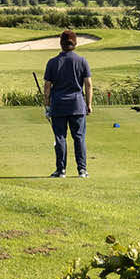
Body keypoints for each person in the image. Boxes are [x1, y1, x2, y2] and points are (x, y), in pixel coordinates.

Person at [42, 29, 92, 177]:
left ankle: (61, 170)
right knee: (79, 138)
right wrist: (88, 104)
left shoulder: (52, 62)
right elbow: (88, 84)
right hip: (77, 104)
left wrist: (47, 105)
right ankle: (82, 170)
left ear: (61, 43)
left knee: (60, 137)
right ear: (75, 43)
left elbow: (47, 87)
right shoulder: (82, 61)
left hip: (58, 105)